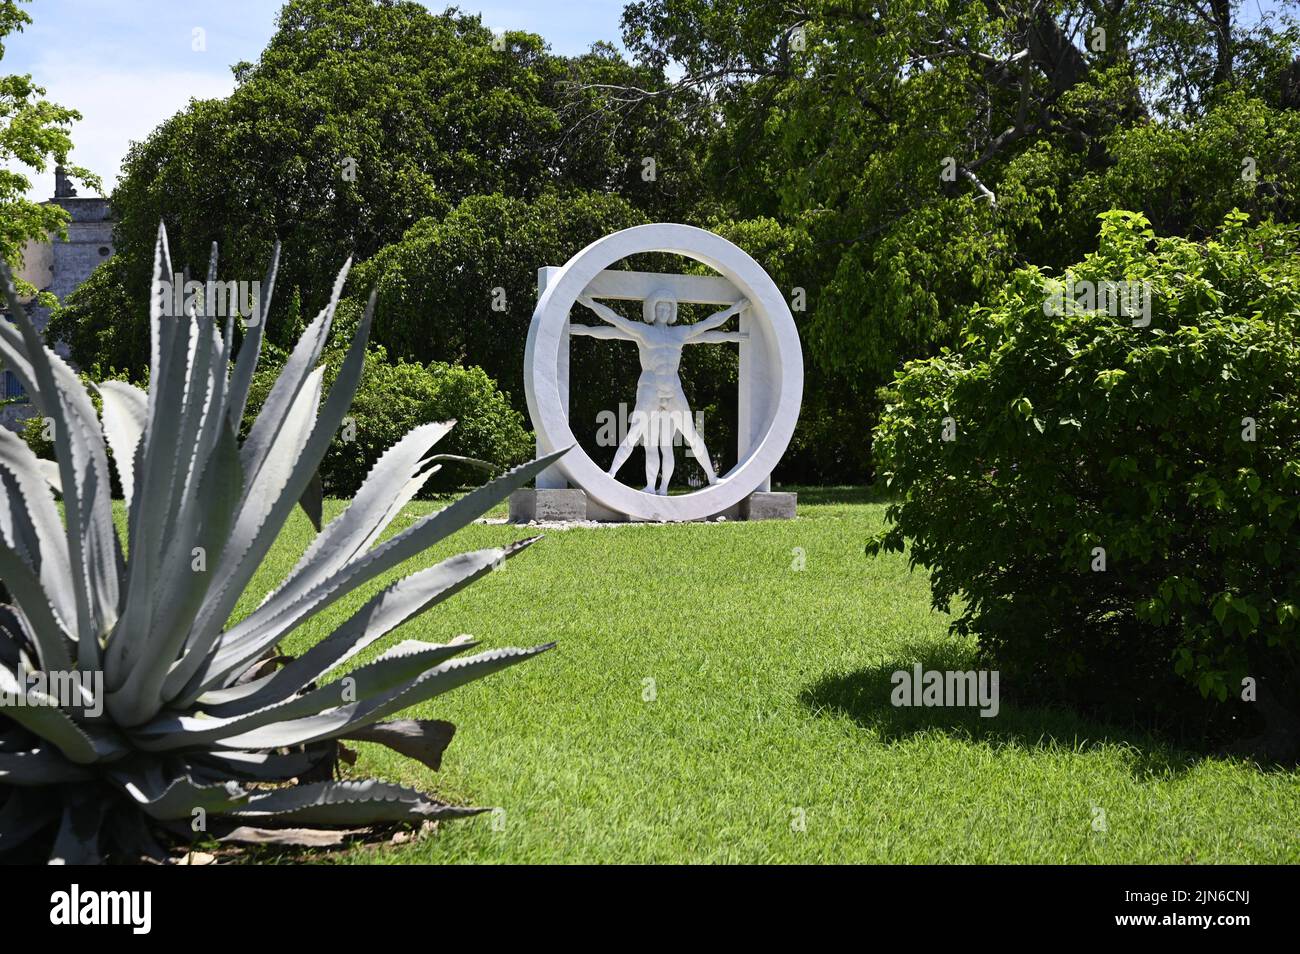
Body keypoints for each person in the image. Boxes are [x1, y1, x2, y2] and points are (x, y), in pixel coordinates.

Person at [570, 288, 749, 494]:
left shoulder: (680, 333)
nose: (664, 310)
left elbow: (708, 327)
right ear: (652, 310)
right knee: (635, 431)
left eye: (668, 307)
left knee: (691, 434)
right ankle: (611, 473)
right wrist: (591, 304)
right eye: (660, 306)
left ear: (673, 311)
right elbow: (615, 321)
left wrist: (734, 310)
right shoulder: (644, 332)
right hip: (650, 388)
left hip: (673, 388)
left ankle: (711, 476)